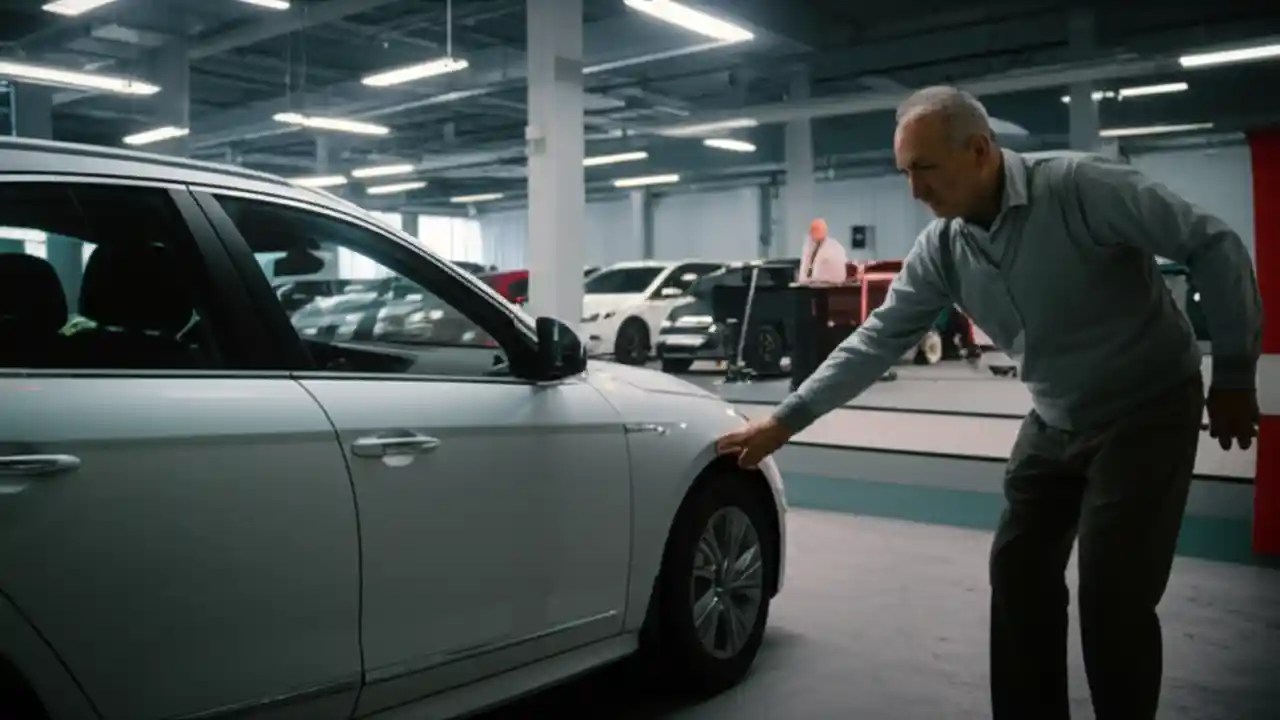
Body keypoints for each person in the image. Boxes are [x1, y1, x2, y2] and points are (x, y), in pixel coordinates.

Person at [717, 85, 1262, 720]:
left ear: (978, 151)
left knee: (1114, 595)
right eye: (905, 172)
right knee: (1020, 573)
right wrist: (787, 419)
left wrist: (1233, 374)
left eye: (925, 168)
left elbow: (1212, 241)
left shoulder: (1081, 188)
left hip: (1145, 405)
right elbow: (878, 338)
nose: (914, 190)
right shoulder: (944, 247)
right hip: (1056, 415)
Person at [796, 217, 849, 285]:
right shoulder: (810, 246)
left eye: (815, 230)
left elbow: (839, 273)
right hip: (810, 285)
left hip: (828, 285)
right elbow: (805, 267)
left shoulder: (835, 247)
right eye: (812, 230)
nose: (811, 233)